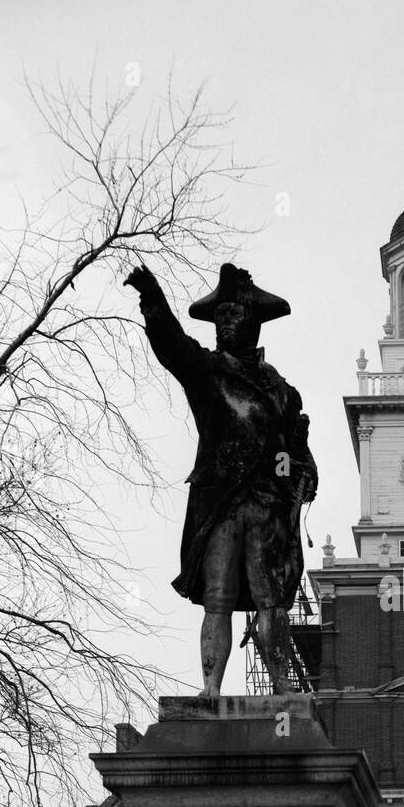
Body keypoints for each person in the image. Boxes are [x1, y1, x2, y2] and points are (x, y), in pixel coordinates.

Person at [125, 262, 317, 695]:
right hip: (221, 505)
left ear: (253, 325)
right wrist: (152, 301)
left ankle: (282, 684)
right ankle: (210, 688)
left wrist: (295, 475)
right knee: (218, 599)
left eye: (235, 317)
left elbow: (287, 453)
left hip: (266, 506)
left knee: (272, 601)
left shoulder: (281, 392)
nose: (226, 326)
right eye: (221, 318)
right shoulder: (206, 371)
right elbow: (171, 346)